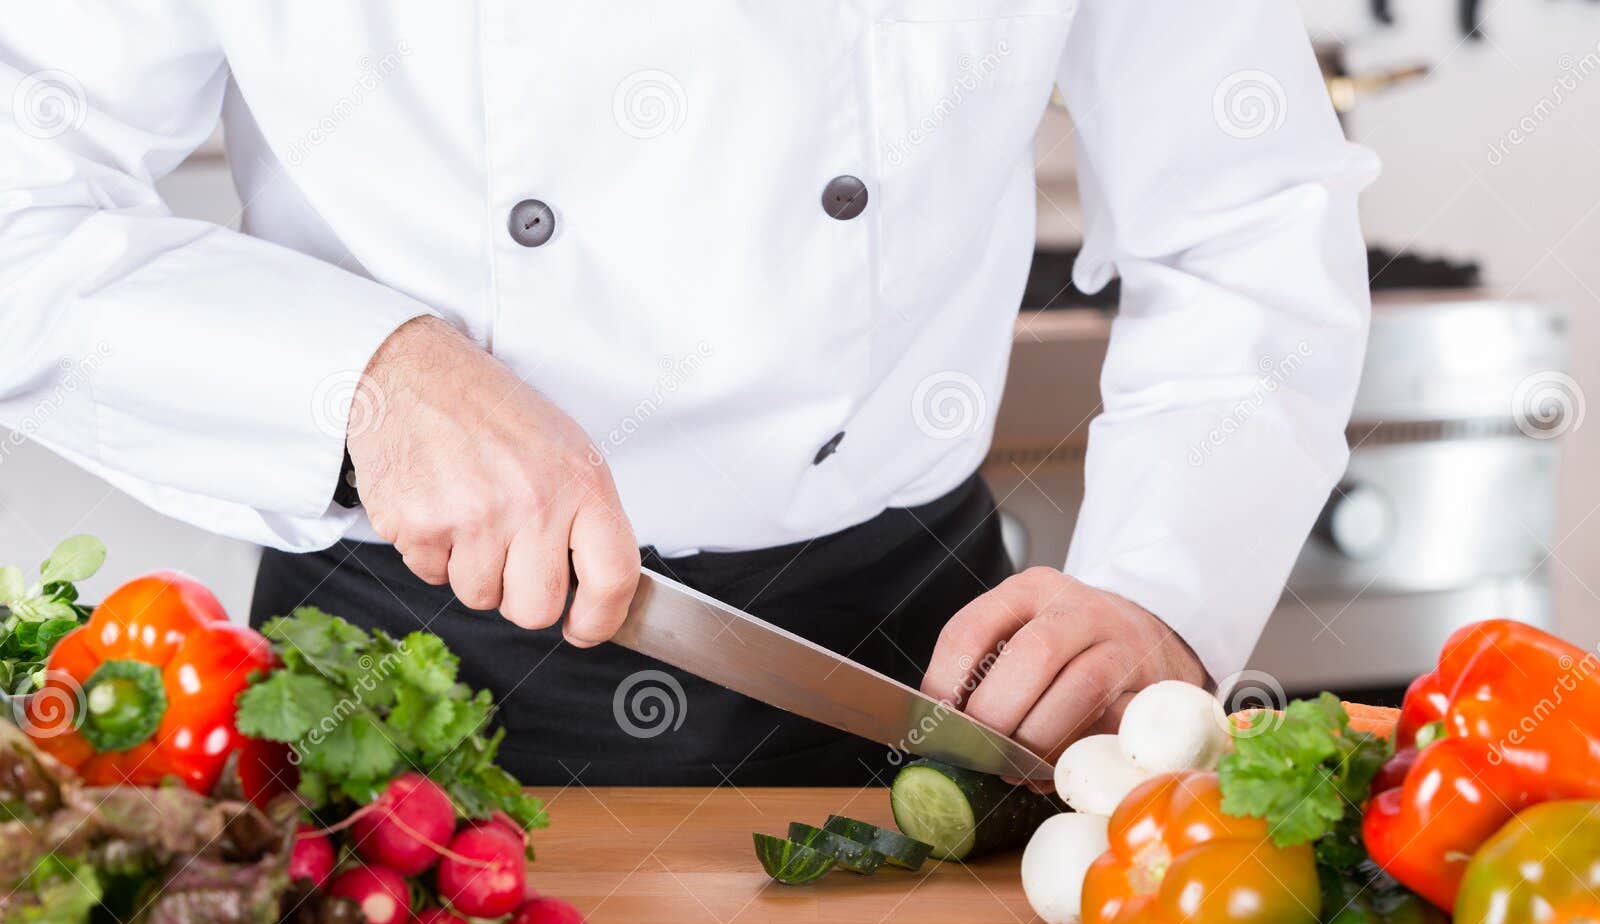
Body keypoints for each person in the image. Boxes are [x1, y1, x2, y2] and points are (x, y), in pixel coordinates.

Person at [0, 2, 1376, 786]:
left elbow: (1250, 205)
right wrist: (370, 377)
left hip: (915, 677)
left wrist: (1162, 584)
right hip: (399, 685)